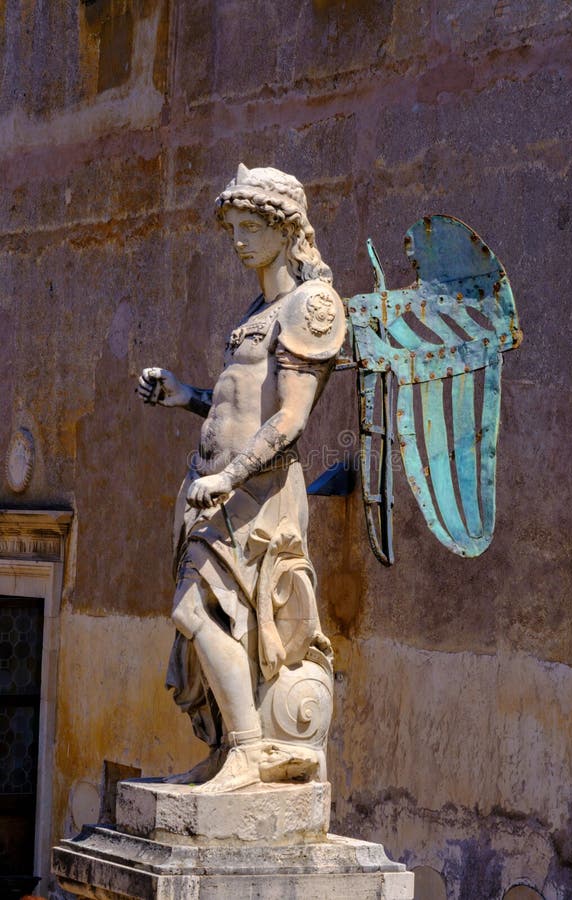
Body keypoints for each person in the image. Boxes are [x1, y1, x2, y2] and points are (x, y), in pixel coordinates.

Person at [137, 165, 345, 793]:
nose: (238, 240)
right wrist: (185, 396)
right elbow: (238, 402)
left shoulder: (312, 306)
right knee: (226, 627)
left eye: (252, 227)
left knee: (195, 611)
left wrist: (228, 475)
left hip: (258, 496)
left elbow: (290, 418)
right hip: (217, 488)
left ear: (286, 232)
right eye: (233, 227)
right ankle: (233, 750)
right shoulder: (262, 308)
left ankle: (253, 752)